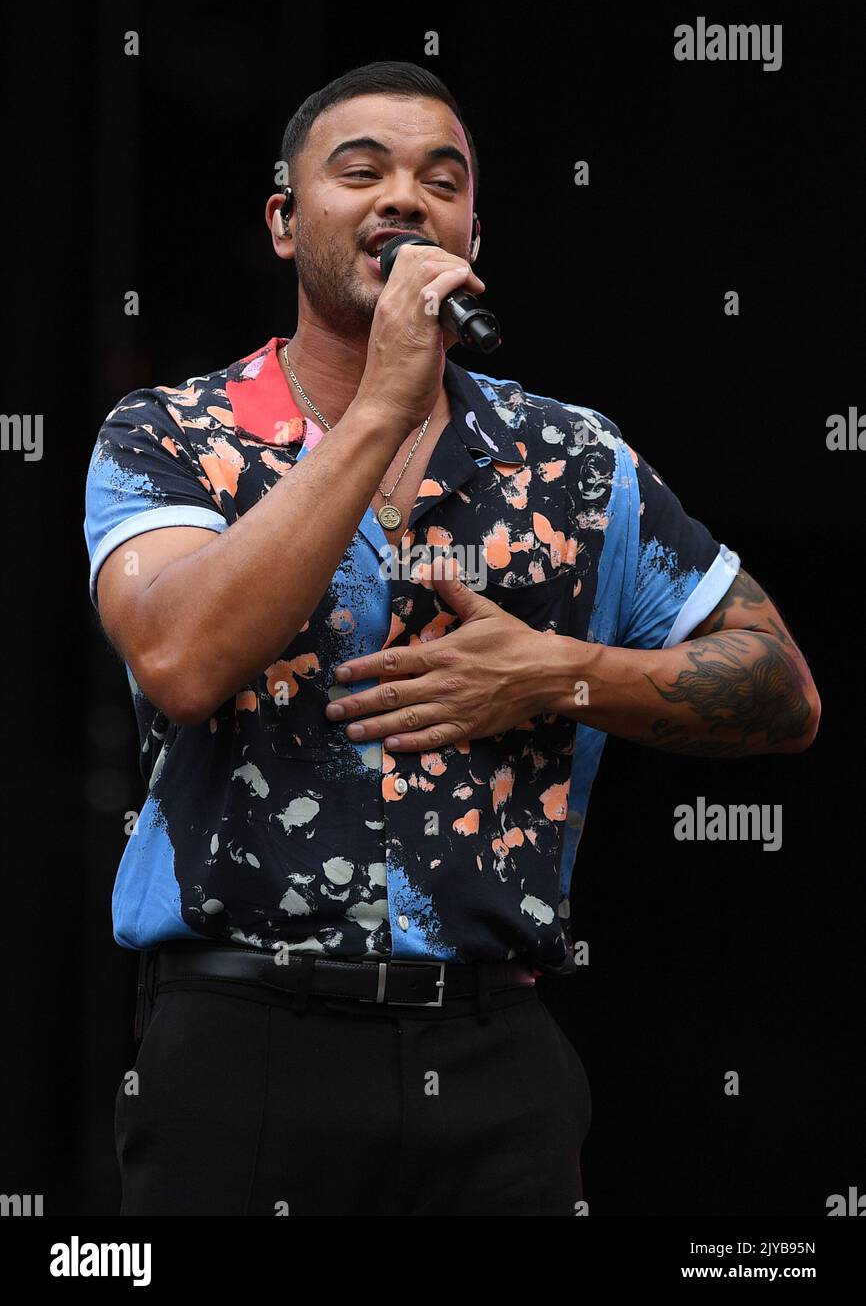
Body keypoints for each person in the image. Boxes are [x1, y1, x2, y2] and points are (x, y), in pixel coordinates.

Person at [83, 60, 821, 1217]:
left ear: (472, 231)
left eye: (441, 179)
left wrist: (563, 674)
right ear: (284, 221)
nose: (403, 199)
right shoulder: (175, 437)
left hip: (495, 1055)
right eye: (359, 170)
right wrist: (381, 405)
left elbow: (781, 689)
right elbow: (180, 661)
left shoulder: (572, 462)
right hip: (244, 1043)